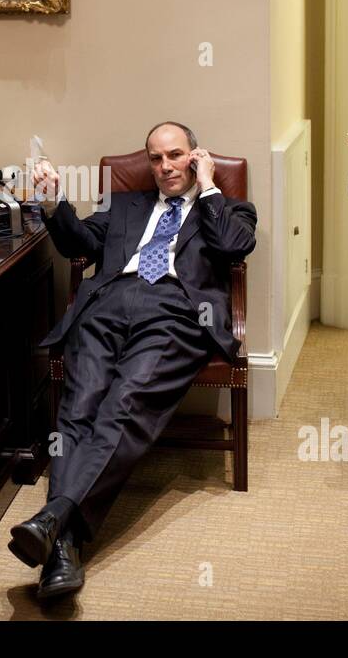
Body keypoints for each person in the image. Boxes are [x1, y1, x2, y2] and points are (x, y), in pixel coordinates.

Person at [13, 122, 257, 598]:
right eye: (155, 158)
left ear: (194, 155)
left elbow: (234, 248)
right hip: (106, 305)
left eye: (175, 155)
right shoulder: (124, 205)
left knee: (124, 403)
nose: (165, 167)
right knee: (78, 408)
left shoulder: (226, 207)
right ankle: (59, 536)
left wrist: (207, 186)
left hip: (176, 313)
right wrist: (52, 202)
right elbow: (78, 245)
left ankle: (55, 524)